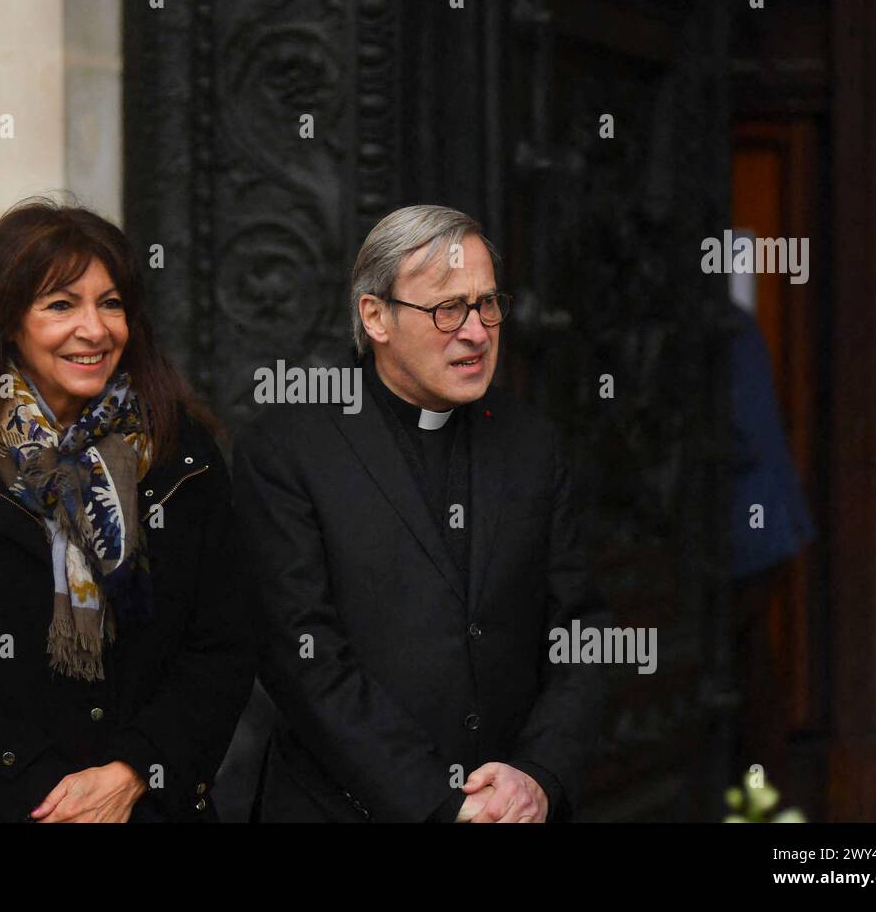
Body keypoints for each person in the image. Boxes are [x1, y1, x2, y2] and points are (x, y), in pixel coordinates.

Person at [0, 197, 252, 822]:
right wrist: (49, 796)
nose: (94, 330)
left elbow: (222, 645)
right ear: (8, 319)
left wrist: (131, 773)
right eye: (62, 305)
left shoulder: (184, 455)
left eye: (112, 303)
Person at [233, 205, 610, 822]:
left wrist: (537, 778)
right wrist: (442, 804)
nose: (477, 331)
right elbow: (306, 660)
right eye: (447, 309)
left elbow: (581, 633)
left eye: (488, 304)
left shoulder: (532, 443)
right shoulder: (287, 450)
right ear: (375, 316)